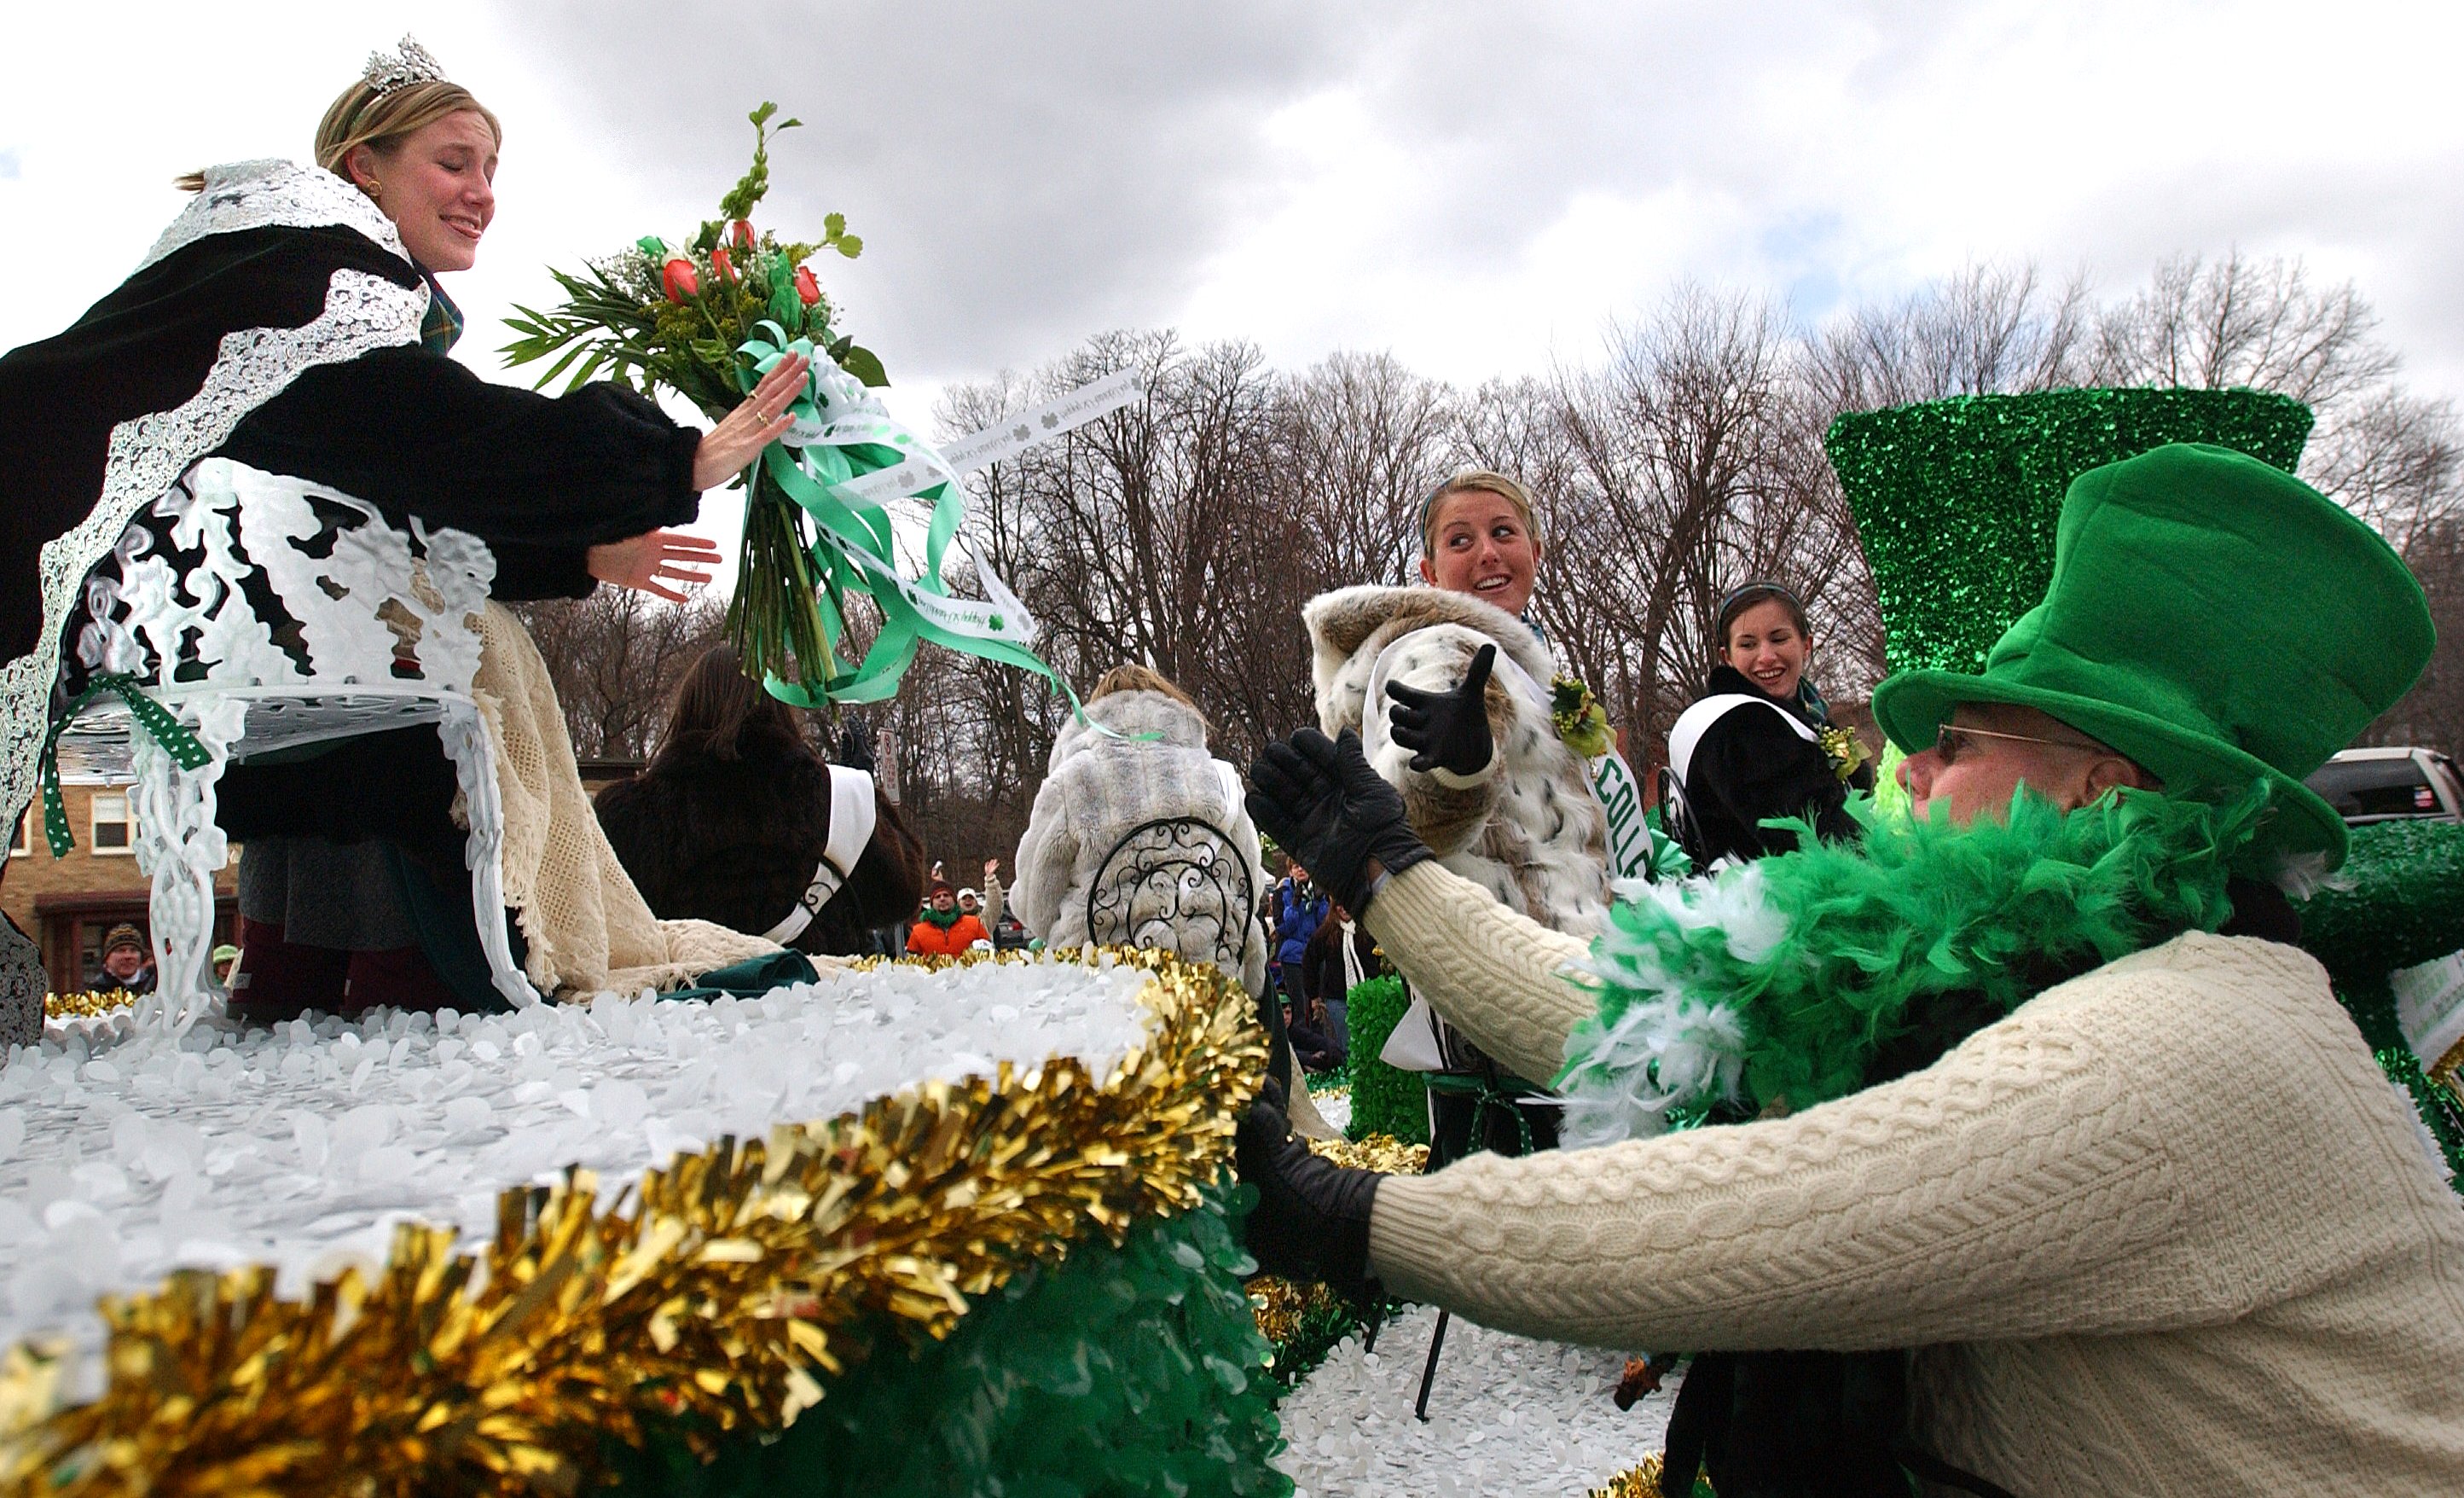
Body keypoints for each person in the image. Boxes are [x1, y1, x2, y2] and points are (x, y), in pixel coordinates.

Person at [1238, 444, 2464, 1495]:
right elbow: (1651, 1020)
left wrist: (1357, 1218)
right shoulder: (1994, 976)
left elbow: (1756, 1222)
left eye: (1963, 739)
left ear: (2102, 790)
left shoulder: (2184, 1035)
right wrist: (1390, 876)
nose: (1906, 766)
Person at [0, 40, 809, 1023]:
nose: (482, 193)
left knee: (400, 629)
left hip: (97, 558)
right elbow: (439, 438)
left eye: (492, 170)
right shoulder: (321, 269)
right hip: (68, 554)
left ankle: (299, 956)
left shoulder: (287, 259)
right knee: (455, 649)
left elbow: (372, 501)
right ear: (365, 168)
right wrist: (674, 461)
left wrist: (579, 550)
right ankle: (416, 954)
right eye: (453, 161)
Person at [594, 647, 926, 958]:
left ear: (687, 708)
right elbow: (902, 895)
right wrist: (863, 800)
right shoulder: (834, 798)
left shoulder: (627, 814)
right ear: (779, 705)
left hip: (679, 999)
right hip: (820, 995)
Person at [1662, 581, 1874, 868]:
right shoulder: (1739, 725)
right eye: (1748, 645)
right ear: (1727, 657)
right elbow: (1818, 836)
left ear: (1806, 645)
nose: (1766, 657)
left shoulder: (1808, 717)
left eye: (1779, 639)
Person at [1297, 899, 1382, 1056]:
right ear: (1334, 907)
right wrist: (1313, 995)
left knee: (1372, 1043)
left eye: (1347, 903)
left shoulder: (1368, 927)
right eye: (1339, 905)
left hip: (1370, 994)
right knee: (1348, 1045)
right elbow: (1309, 959)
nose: (1344, 908)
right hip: (1338, 999)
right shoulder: (1327, 931)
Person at [906, 882, 990, 958]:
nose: (942, 899)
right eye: (937, 897)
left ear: (954, 900)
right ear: (932, 903)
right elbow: (911, 965)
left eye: (946, 895)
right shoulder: (918, 931)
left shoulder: (974, 924)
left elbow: (990, 955)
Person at [88, 924, 157, 996]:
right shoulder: (94, 993)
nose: (128, 956)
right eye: (121, 951)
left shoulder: (156, 988)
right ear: (107, 958)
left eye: (133, 950)